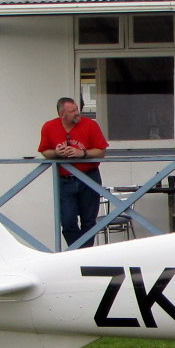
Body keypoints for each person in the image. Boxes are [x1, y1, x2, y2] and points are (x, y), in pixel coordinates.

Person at [38, 97, 109, 247]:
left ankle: (83, 255)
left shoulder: (90, 125)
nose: (78, 113)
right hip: (65, 180)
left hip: (89, 177)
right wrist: (57, 153)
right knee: (67, 221)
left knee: (89, 221)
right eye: (73, 111)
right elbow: (45, 151)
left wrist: (82, 153)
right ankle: (79, 252)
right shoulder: (49, 127)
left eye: (77, 109)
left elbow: (101, 151)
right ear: (62, 114)